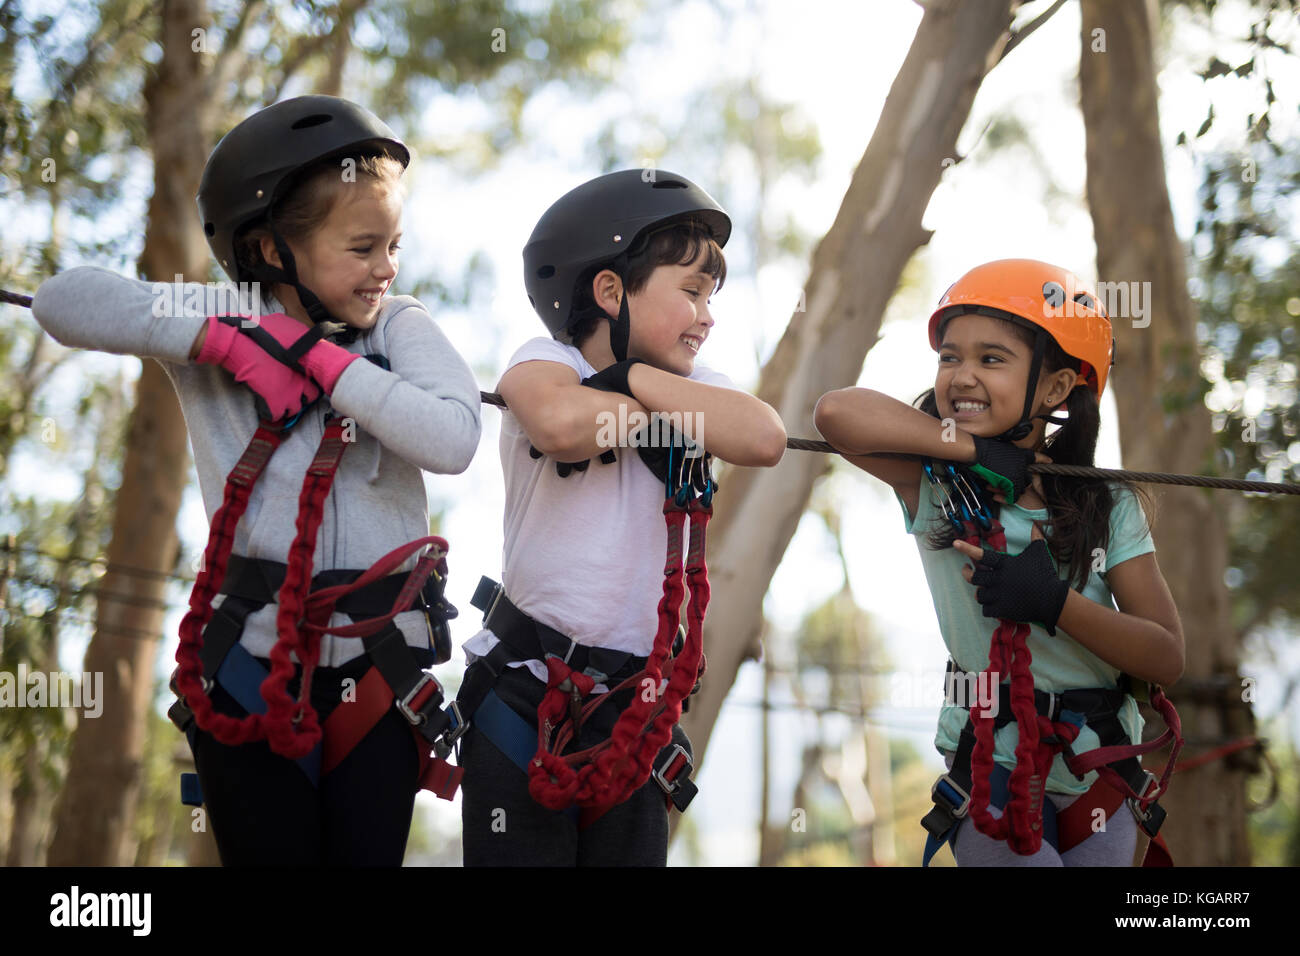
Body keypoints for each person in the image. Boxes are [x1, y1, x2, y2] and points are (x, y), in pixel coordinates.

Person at [31, 95, 482, 865]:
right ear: (273, 252)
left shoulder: (398, 326)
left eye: (393, 245)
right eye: (363, 247)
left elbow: (452, 436)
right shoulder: (218, 318)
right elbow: (61, 301)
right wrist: (234, 338)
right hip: (248, 665)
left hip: (380, 673)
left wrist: (328, 364)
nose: (387, 268)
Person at [454, 168, 786, 866]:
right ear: (610, 292)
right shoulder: (548, 360)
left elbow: (762, 437)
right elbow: (557, 422)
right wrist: (660, 411)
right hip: (525, 694)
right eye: (691, 292)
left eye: (712, 297)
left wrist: (631, 380)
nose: (708, 315)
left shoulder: (694, 387)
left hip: (637, 713)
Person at [815, 259, 1184, 866]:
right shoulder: (934, 482)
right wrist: (965, 448)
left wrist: (1053, 603)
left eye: (991, 359)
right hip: (992, 763)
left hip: (1098, 772)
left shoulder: (1106, 504)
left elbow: (1166, 655)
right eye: (949, 357)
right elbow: (835, 413)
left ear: (1057, 388)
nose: (962, 375)